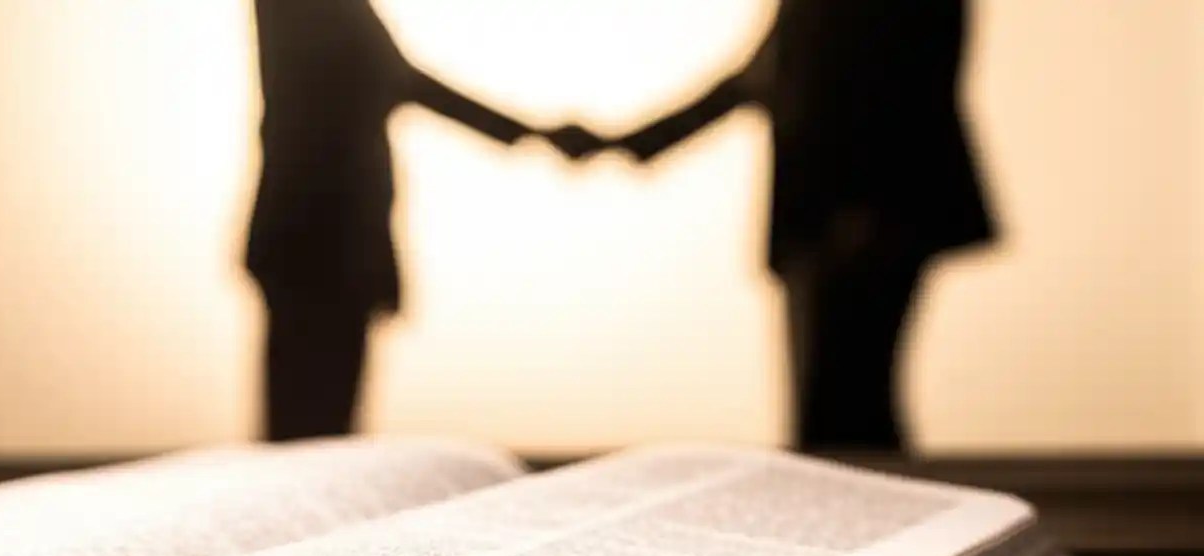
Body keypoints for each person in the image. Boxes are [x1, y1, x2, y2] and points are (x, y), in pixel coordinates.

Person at [615, 0, 995, 455]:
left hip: (866, 220)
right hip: (822, 220)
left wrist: (864, 206)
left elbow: (911, 79)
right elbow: (762, 76)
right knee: (837, 404)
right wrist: (632, 142)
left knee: (845, 400)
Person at [249, 1, 591, 442]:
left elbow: (393, 78)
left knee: (312, 423)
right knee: (314, 424)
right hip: (326, 240)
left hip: (319, 238)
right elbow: (394, 78)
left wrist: (532, 133)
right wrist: (534, 133)